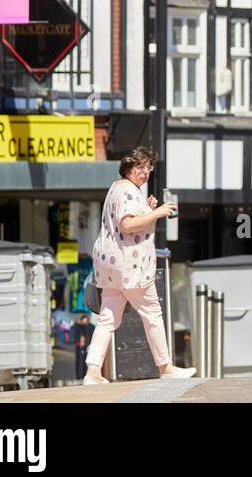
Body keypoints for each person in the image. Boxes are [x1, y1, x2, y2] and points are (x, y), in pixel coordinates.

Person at [84, 148, 196, 384]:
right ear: (128, 169)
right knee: (152, 314)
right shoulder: (126, 189)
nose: (146, 172)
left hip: (111, 267)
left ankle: (92, 372)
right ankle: (166, 368)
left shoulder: (118, 187)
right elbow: (127, 225)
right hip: (131, 266)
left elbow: (125, 219)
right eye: (141, 168)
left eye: (148, 168)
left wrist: (145, 207)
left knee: (107, 318)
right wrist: (157, 213)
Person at [74, 313, 94, 380]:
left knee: (88, 361)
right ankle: (79, 375)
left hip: (88, 346)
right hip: (80, 347)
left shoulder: (91, 327)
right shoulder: (78, 326)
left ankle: (86, 374)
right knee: (80, 361)